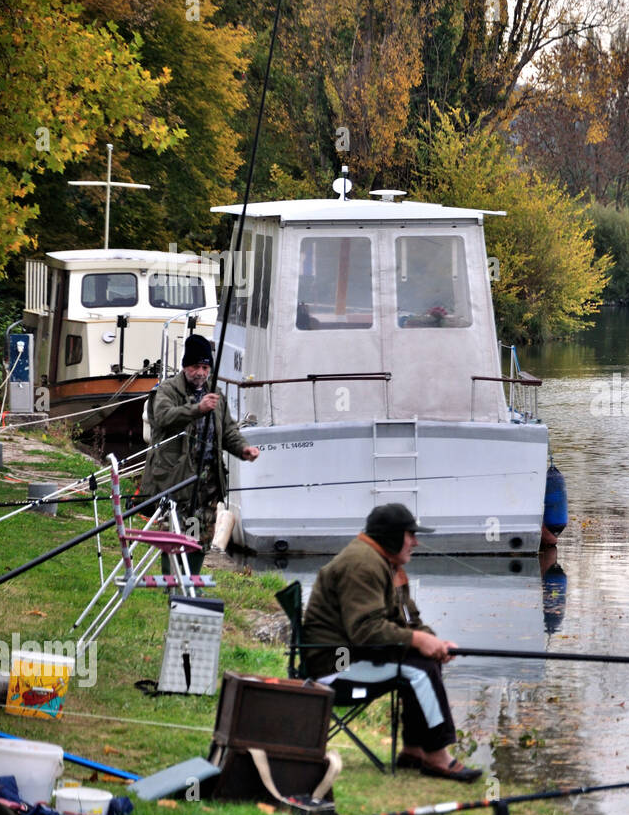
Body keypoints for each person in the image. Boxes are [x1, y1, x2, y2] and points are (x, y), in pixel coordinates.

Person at [301, 503, 482, 782]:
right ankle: (437, 755)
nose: (416, 542)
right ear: (392, 536)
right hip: (334, 663)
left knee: (424, 660)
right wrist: (416, 640)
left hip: (352, 654)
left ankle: (414, 750)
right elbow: (365, 630)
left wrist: (433, 642)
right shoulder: (363, 565)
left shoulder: (387, 564)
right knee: (419, 670)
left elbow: (408, 619)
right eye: (410, 535)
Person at [140, 334, 260, 570]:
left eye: (205, 367)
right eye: (196, 366)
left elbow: (227, 430)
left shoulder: (215, 395)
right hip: (176, 480)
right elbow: (164, 418)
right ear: (186, 366)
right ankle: (172, 582)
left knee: (198, 536)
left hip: (207, 482)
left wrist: (243, 448)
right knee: (174, 534)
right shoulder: (167, 391)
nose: (201, 373)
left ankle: (191, 581)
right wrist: (197, 409)